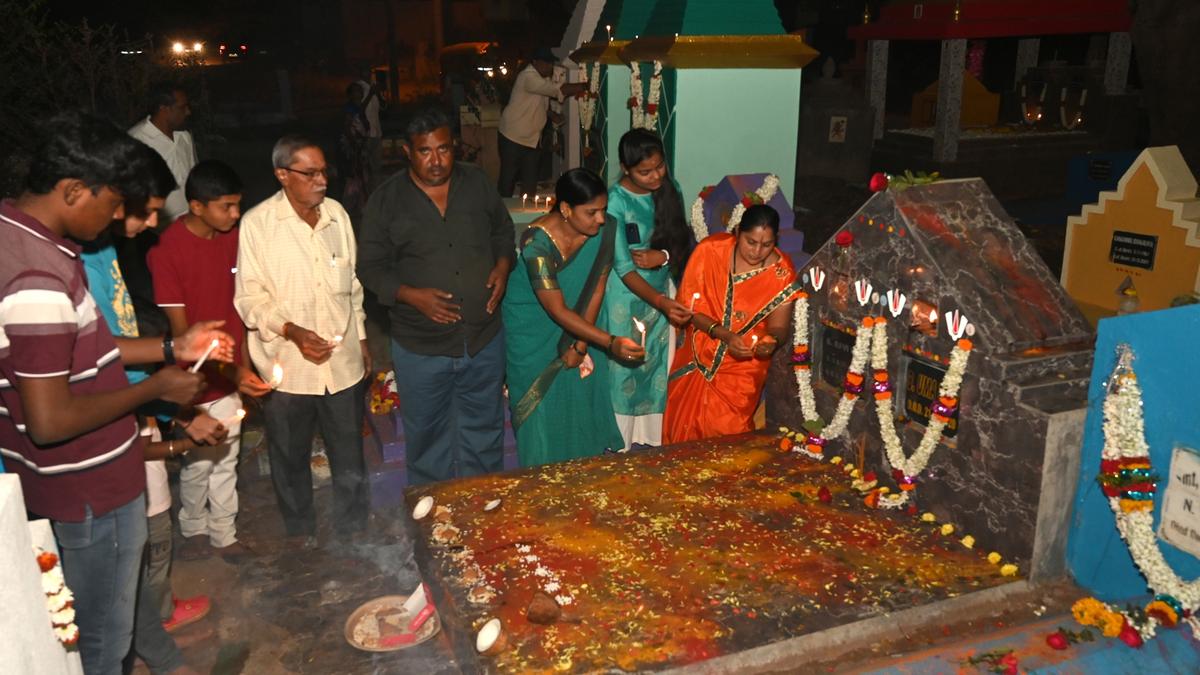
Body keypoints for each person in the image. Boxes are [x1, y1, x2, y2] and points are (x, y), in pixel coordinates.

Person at [0, 111, 231, 675]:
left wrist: (170, 350)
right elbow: (50, 421)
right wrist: (158, 388)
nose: (125, 220)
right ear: (75, 190)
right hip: (87, 491)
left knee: (116, 611)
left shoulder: (29, 240)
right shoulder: (35, 279)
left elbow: (88, 348)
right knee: (101, 646)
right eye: (115, 202)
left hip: (89, 484)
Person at [80, 145, 216, 674]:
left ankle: (156, 654)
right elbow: (92, 356)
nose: (156, 222)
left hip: (124, 422)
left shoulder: (106, 249)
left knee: (129, 562)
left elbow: (124, 352)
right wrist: (170, 359)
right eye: (148, 209)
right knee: (106, 580)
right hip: (89, 449)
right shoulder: (69, 261)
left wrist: (175, 410)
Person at [357, 107, 514, 485]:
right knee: (428, 440)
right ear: (408, 152)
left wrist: (503, 265)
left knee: (486, 433)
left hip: (482, 338)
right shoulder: (386, 200)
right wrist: (411, 295)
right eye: (425, 151)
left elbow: (502, 230)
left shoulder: (476, 183)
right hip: (421, 345)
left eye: (444, 149)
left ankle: (482, 512)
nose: (436, 160)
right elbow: (370, 268)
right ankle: (434, 523)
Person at [234, 136, 370, 548]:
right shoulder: (258, 225)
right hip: (287, 364)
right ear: (282, 175)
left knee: (349, 452)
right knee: (290, 455)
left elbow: (352, 285)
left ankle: (354, 531)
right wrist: (292, 330)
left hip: (341, 360)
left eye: (324, 171)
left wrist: (360, 337)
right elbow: (249, 299)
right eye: (309, 173)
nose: (322, 181)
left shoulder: (337, 217)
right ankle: (300, 531)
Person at [148, 160, 262, 562]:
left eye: (238, 206)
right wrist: (229, 370)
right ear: (196, 206)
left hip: (231, 370)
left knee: (226, 460)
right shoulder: (167, 250)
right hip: (192, 380)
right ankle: (193, 525)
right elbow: (184, 338)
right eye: (226, 207)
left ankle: (223, 534)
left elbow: (241, 313)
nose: (235, 215)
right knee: (198, 461)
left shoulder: (233, 239)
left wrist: (242, 367)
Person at [503, 168, 644, 465]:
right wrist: (610, 342)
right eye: (591, 212)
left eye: (604, 210)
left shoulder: (603, 233)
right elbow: (556, 309)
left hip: (581, 326)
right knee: (538, 412)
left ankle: (579, 477)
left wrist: (581, 345)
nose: (601, 219)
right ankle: (542, 482)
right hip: (531, 331)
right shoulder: (537, 247)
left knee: (577, 402)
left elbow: (595, 289)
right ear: (566, 209)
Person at [663, 205, 802, 444]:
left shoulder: (781, 273)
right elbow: (688, 308)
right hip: (699, 353)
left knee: (730, 432)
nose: (757, 251)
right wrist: (725, 336)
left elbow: (779, 327)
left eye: (767, 244)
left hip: (743, 366)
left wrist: (772, 341)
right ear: (737, 232)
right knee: (682, 428)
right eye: (751, 242)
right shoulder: (711, 251)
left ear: (776, 240)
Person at [601, 130, 694, 451]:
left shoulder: (670, 189)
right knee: (625, 364)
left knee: (656, 364)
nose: (655, 176)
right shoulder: (614, 201)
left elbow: (681, 239)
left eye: (659, 167)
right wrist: (662, 302)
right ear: (626, 168)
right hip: (624, 296)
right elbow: (623, 266)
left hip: (661, 287)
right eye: (645, 171)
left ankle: (652, 433)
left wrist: (663, 256)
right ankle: (621, 438)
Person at [497, 47, 586, 198]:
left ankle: (525, 213)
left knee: (530, 181)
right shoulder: (528, 76)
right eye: (546, 63)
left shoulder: (542, 78)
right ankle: (500, 215)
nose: (549, 66)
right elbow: (558, 90)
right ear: (535, 62)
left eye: (551, 63)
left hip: (532, 139)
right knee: (508, 179)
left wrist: (552, 115)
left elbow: (540, 104)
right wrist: (585, 86)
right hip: (512, 136)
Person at [129, 83, 197, 220]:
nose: (188, 112)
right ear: (164, 109)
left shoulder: (184, 136)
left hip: (190, 220)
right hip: (157, 226)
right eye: (182, 107)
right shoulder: (136, 140)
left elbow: (195, 178)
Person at [337, 82, 370, 217]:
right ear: (350, 94)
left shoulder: (357, 108)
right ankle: (348, 209)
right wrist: (354, 146)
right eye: (357, 91)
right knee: (354, 177)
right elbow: (347, 128)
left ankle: (358, 206)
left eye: (361, 91)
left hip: (358, 147)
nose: (360, 93)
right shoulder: (350, 109)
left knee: (360, 177)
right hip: (351, 148)